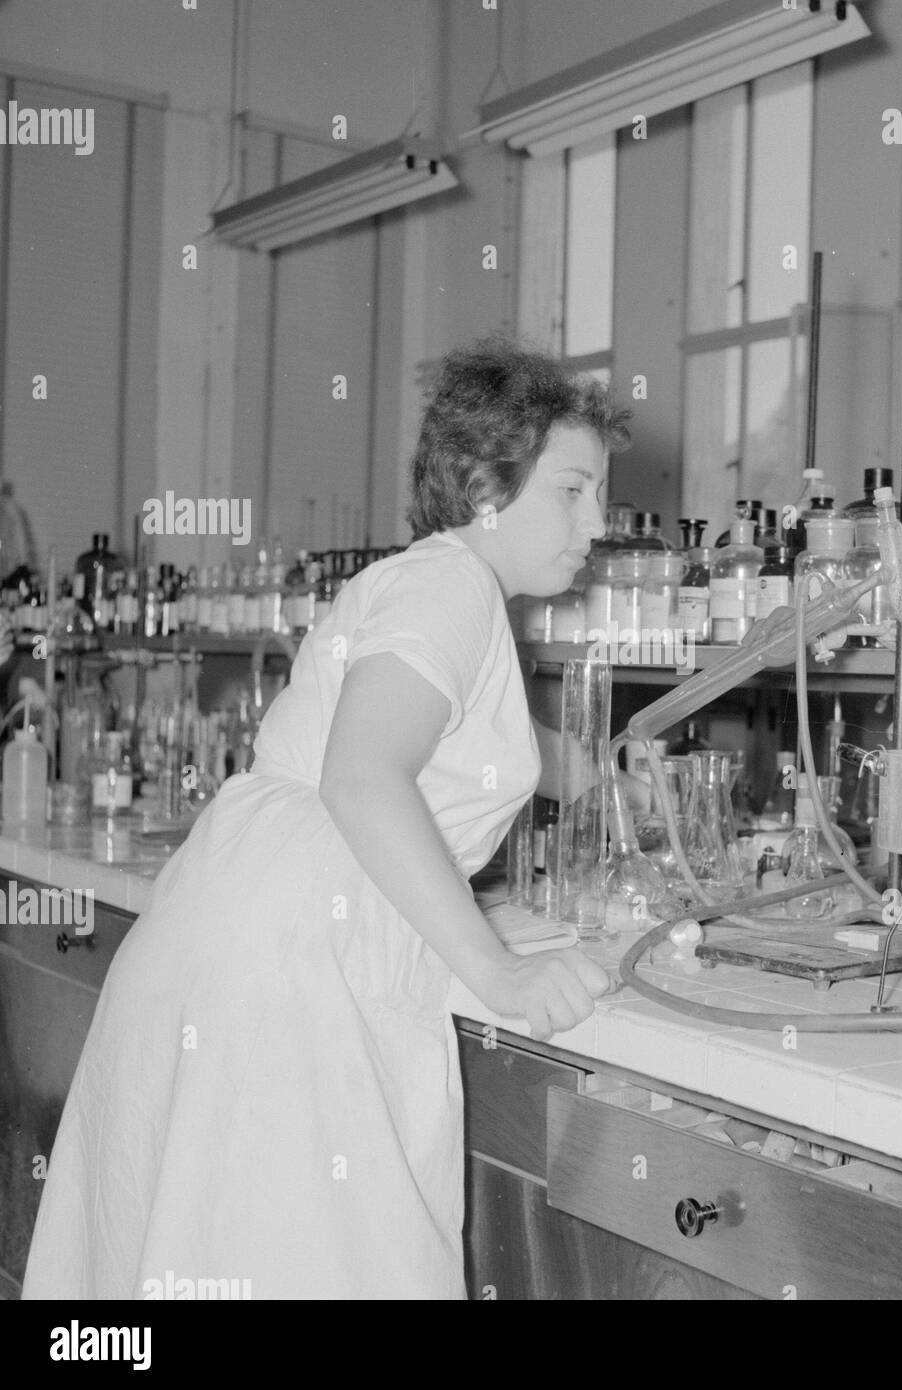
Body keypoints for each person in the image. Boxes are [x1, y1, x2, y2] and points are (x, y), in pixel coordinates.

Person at [22, 338, 632, 1300]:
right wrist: (499, 971)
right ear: (485, 484)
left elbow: (456, 740)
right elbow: (364, 777)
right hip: (297, 957)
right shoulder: (452, 589)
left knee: (197, 1241)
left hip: (245, 924)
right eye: (573, 488)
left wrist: (599, 773)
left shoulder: (430, 582)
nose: (599, 519)